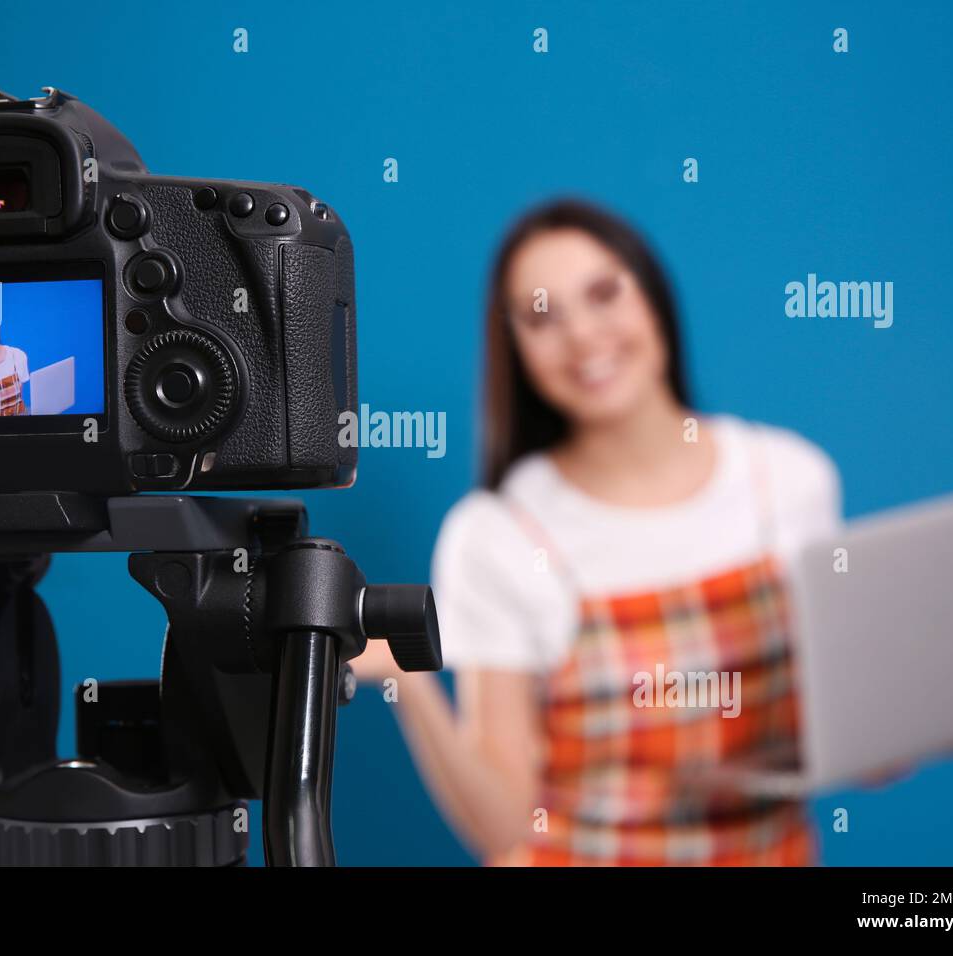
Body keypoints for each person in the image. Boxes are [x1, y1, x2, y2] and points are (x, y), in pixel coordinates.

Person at [352, 199, 842, 865]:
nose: (583, 336)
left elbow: (828, 730)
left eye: (604, 293)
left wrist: (897, 733)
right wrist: (406, 682)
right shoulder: (497, 535)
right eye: (542, 316)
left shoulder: (789, 478)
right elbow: (505, 828)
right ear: (516, 350)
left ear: (655, 296)